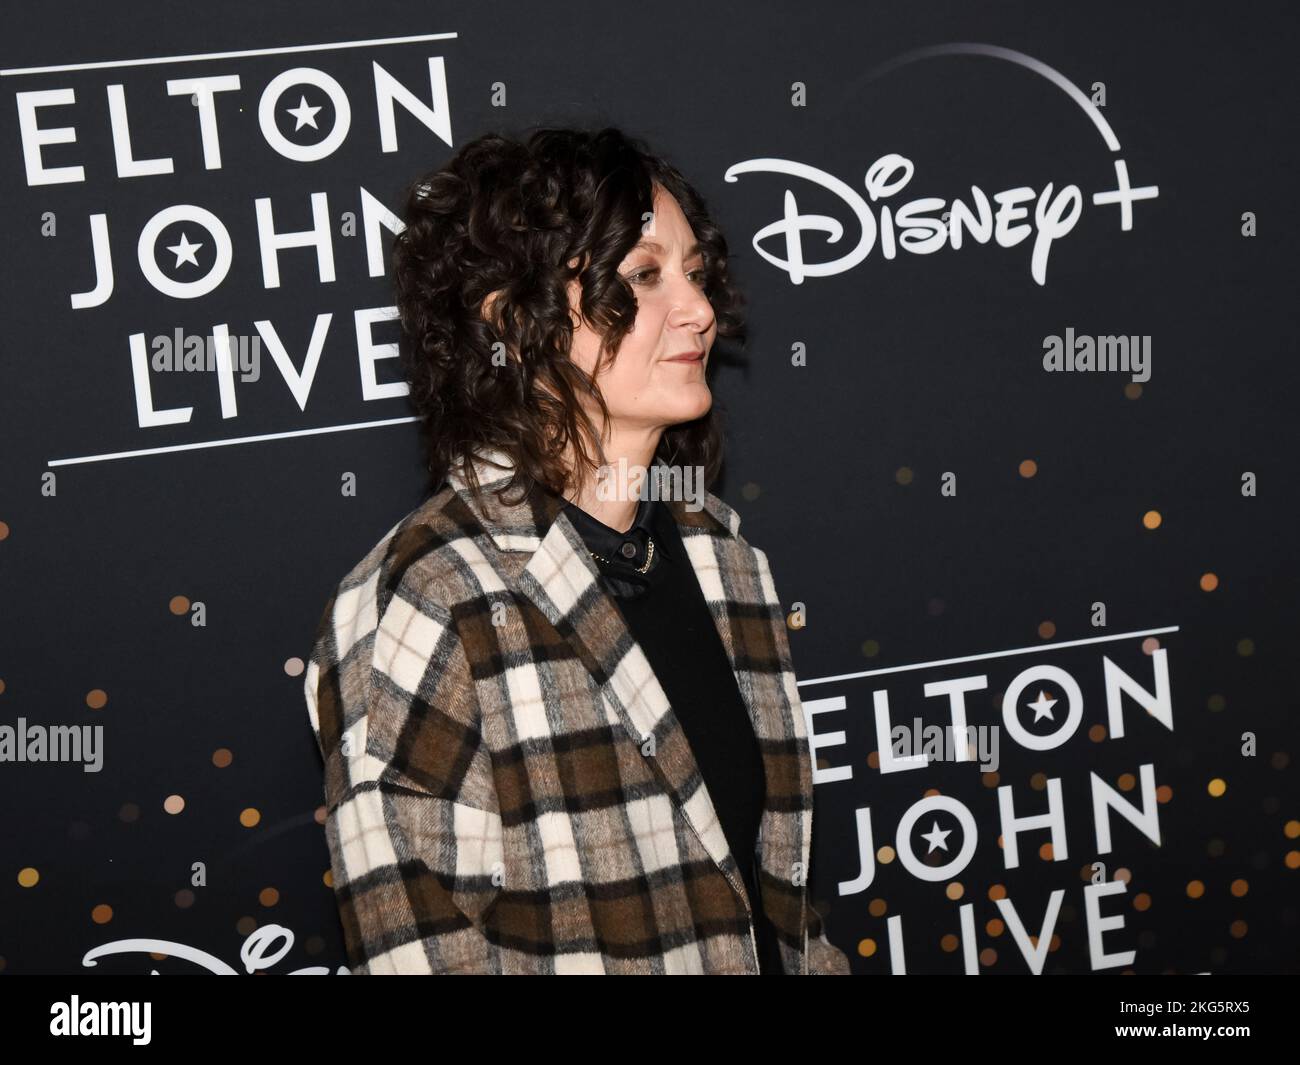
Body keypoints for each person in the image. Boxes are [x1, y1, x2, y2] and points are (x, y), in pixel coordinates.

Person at [303, 127, 850, 975]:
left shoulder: (724, 559)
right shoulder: (428, 595)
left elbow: (781, 908)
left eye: (696, 273)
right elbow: (418, 952)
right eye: (643, 276)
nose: (700, 310)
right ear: (512, 322)